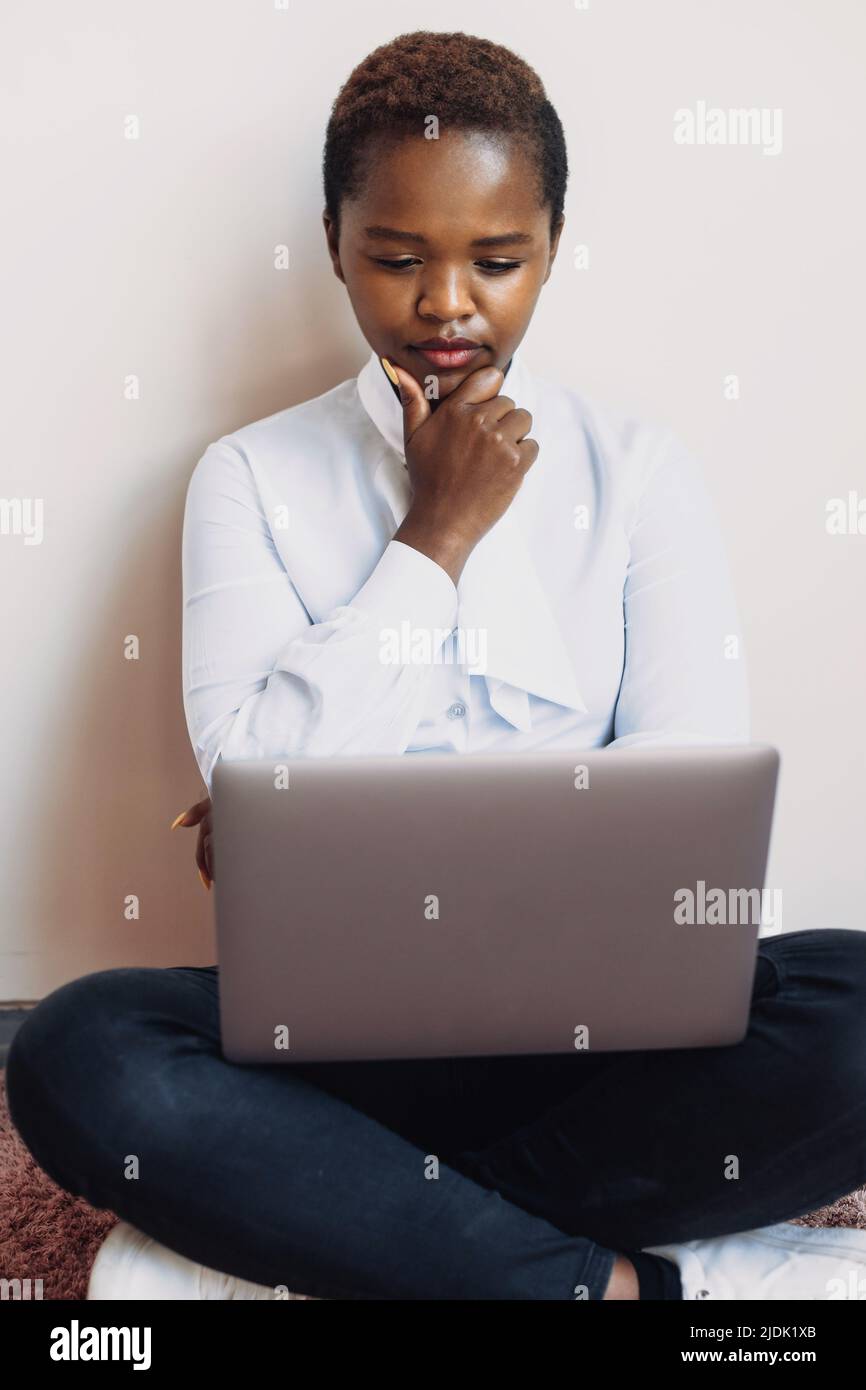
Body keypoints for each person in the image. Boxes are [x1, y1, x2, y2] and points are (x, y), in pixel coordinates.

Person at [8, 30, 866, 1302]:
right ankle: (611, 1285)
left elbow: (684, 811)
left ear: (553, 245)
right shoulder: (248, 478)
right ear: (334, 241)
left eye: (496, 260)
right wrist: (438, 532)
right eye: (397, 258)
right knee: (80, 1053)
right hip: (332, 1052)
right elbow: (258, 787)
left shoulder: (637, 471)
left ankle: (346, 1231)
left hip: (602, 1055)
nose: (446, 303)